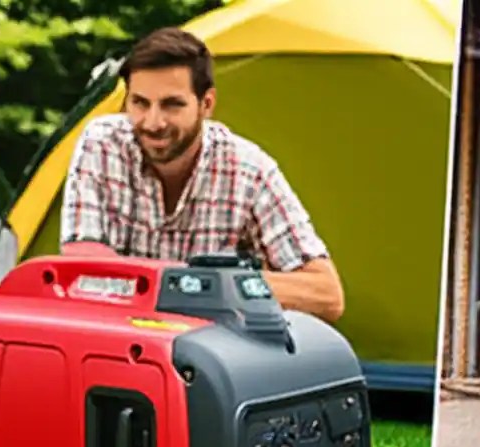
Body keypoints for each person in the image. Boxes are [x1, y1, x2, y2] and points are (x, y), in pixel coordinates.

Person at [58, 27, 345, 323]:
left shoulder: (249, 170)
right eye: (140, 103)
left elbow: (326, 295)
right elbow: (82, 261)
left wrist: (212, 286)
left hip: (210, 352)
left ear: (206, 104)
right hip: (119, 339)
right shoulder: (102, 142)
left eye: (172, 104)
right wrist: (189, 286)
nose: (153, 122)